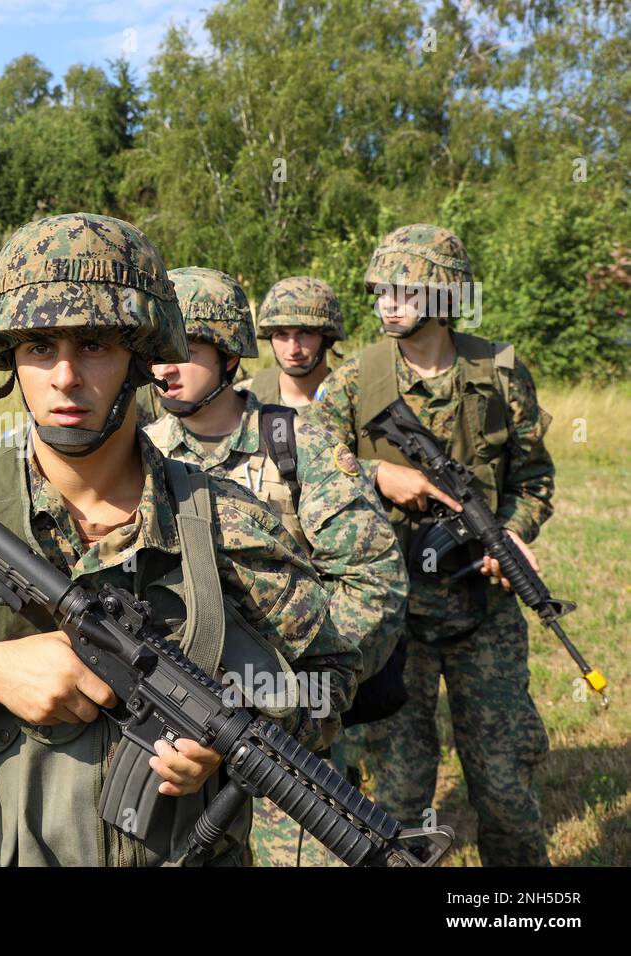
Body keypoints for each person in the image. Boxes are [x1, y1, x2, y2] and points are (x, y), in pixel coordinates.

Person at [0, 212, 361, 866]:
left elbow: (328, 679)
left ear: (141, 360)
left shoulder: (224, 519)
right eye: (40, 348)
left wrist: (236, 741)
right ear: (11, 359)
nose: (65, 377)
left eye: (94, 346)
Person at [308, 224, 555, 867]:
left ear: (445, 296)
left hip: (484, 610)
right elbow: (299, 468)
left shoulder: (499, 370)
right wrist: (376, 474)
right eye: (380, 290)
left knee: (506, 790)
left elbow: (533, 479)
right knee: (398, 793)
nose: (388, 303)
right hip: (393, 612)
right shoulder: (355, 380)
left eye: (406, 291)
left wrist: (513, 536)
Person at [144, 267, 407, 866]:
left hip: (284, 737)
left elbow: (375, 583)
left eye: (183, 350)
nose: (164, 368)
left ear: (231, 353)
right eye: (156, 352)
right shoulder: (141, 451)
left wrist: (304, 699)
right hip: (168, 731)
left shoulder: (297, 446)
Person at [242, 276, 346, 410]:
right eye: (281, 334)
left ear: (328, 338)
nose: (293, 350)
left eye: (305, 333)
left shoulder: (352, 400)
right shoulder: (245, 398)